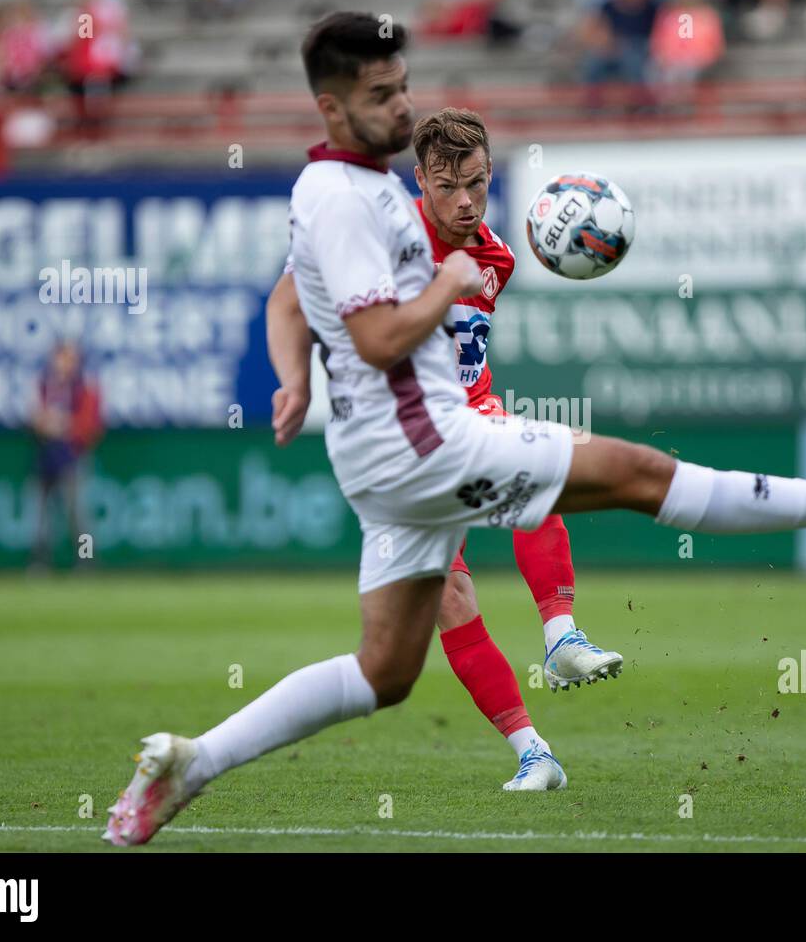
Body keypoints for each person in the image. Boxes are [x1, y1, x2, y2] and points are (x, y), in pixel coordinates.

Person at [104, 12, 806, 847]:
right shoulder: (350, 204)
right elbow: (375, 336)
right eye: (379, 95)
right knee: (636, 473)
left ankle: (193, 761)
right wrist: (445, 285)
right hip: (424, 440)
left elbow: (288, 300)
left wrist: (292, 379)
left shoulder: (352, 191)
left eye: (403, 88)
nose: (401, 108)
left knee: (385, 672)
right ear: (330, 106)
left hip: (382, 458)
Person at [266, 106, 621, 793]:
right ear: (420, 180)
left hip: (469, 412)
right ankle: (533, 753)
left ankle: (562, 638)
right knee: (451, 598)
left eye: (479, 184)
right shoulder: (381, 233)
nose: (465, 202)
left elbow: (466, 358)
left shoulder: (498, 257)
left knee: (535, 473)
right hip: (400, 438)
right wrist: (295, 380)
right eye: (449, 186)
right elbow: (304, 299)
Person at [30, 343, 102, 569]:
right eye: (61, 358)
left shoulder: (84, 388)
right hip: (47, 454)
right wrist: (47, 423)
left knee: (78, 514)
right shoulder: (45, 386)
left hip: (73, 455)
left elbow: (90, 425)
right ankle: (40, 561)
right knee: (41, 515)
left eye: (69, 359)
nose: (64, 364)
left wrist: (64, 425)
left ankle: (86, 560)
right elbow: (35, 417)